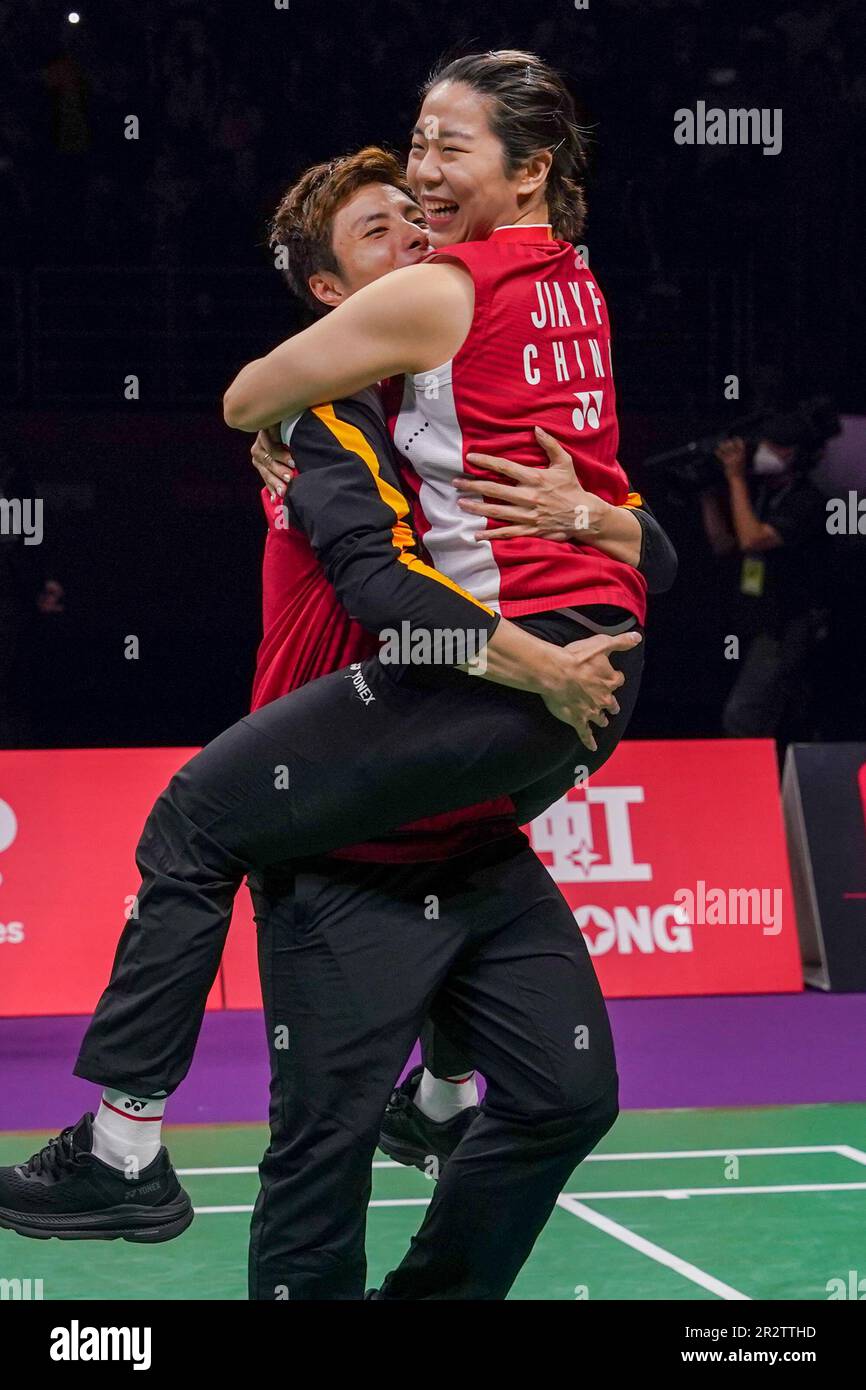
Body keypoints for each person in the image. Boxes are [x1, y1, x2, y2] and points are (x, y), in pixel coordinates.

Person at [0, 51, 669, 1298]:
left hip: (452, 759)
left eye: (434, 169)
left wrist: (591, 525)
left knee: (559, 1092)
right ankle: (159, 1140)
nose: (417, 203)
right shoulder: (339, 419)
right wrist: (541, 661)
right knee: (323, 1141)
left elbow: (654, 544)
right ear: (328, 296)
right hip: (351, 814)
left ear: (526, 174)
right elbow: (378, 586)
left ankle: (135, 1142)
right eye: (384, 222)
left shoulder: (453, 377)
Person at [702, 412, 827, 739]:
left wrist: (735, 477)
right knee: (753, 709)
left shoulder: (807, 500)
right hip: (750, 621)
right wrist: (705, 493)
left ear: (798, 453)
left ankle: (752, 783)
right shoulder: (762, 494)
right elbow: (726, 544)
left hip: (786, 626)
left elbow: (752, 539)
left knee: (744, 714)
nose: (766, 451)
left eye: (778, 446)